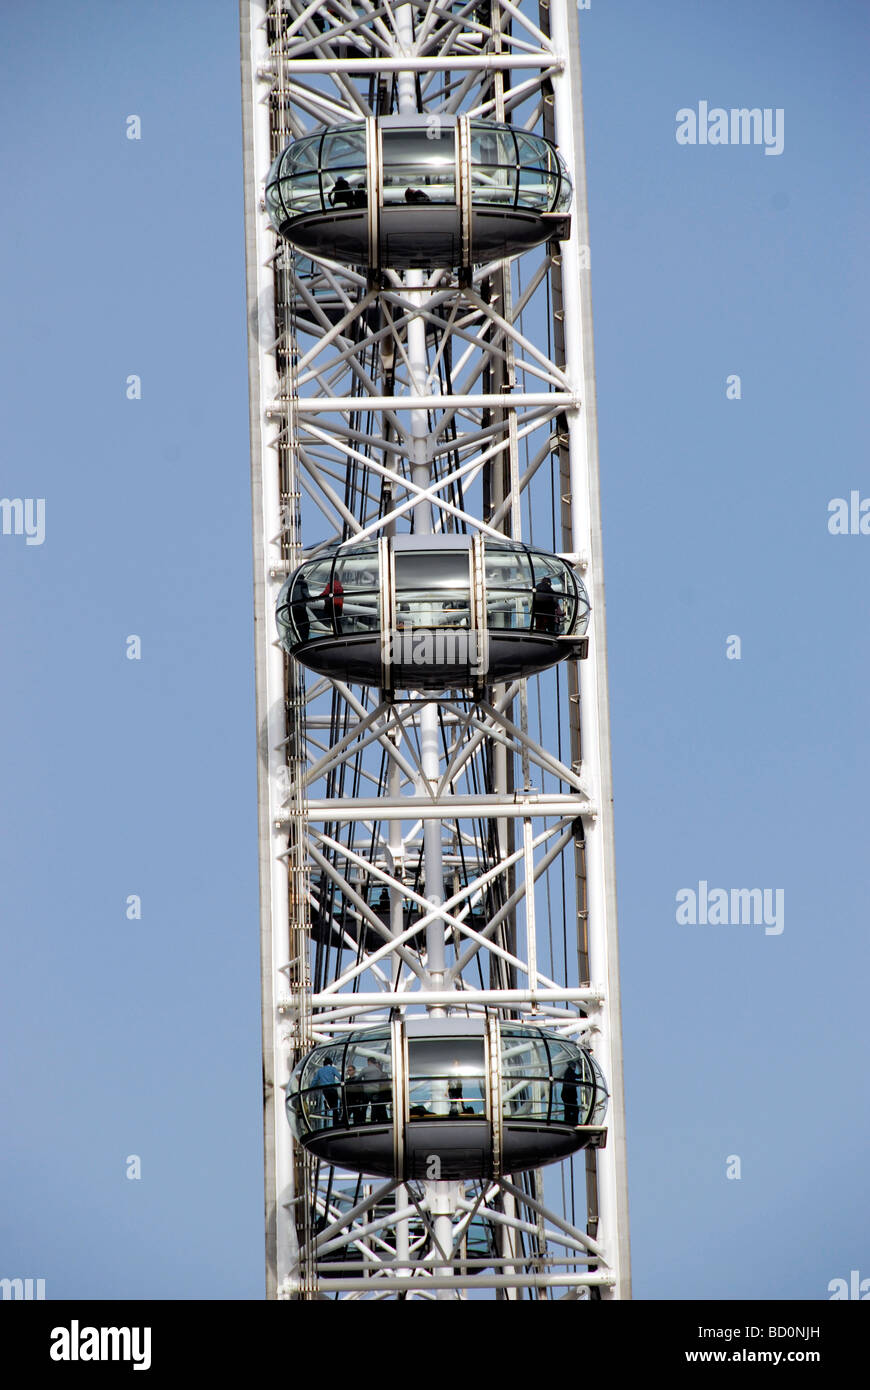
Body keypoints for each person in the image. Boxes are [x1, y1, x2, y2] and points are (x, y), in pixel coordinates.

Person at [311, 1056, 341, 1122]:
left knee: (331, 1103)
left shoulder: (320, 1071)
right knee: (335, 1105)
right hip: (332, 1089)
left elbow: (315, 1081)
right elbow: (339, 1077)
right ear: (330, 1063)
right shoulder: (333, 1069)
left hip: (325, 1090)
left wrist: (310, 1088)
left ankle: (328, 1104)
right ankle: (336, 1119)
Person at [360, 1056, 389, 1123]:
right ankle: (377, 1120)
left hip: (379, 1093)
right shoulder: (380, 1073)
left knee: (377, 1108)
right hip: (377, 1093)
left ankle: (377, 1120)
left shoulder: (382, 1074)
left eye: (377, 1064)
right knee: (376, 1108)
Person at [291, 574, 311, 644]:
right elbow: (305, 593)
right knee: (306, 623)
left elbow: (288, 598)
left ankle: (302, 640)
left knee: (299, 624)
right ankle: (305, 639)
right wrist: (311, 598)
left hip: (293, 608)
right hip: (300, 607)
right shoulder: (303, 583)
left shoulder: (292, 585)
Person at [561, 1061, 580, 1127]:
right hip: (568, 1095)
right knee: (572, 1109)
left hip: (568, 1095)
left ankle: (570, 1122)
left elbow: (575, 1077)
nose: (575, 1067)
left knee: (570, 1110)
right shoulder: (569, 1072)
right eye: (574, 1066)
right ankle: (571, 1122)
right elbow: (574, 1079)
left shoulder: (569, 1072)